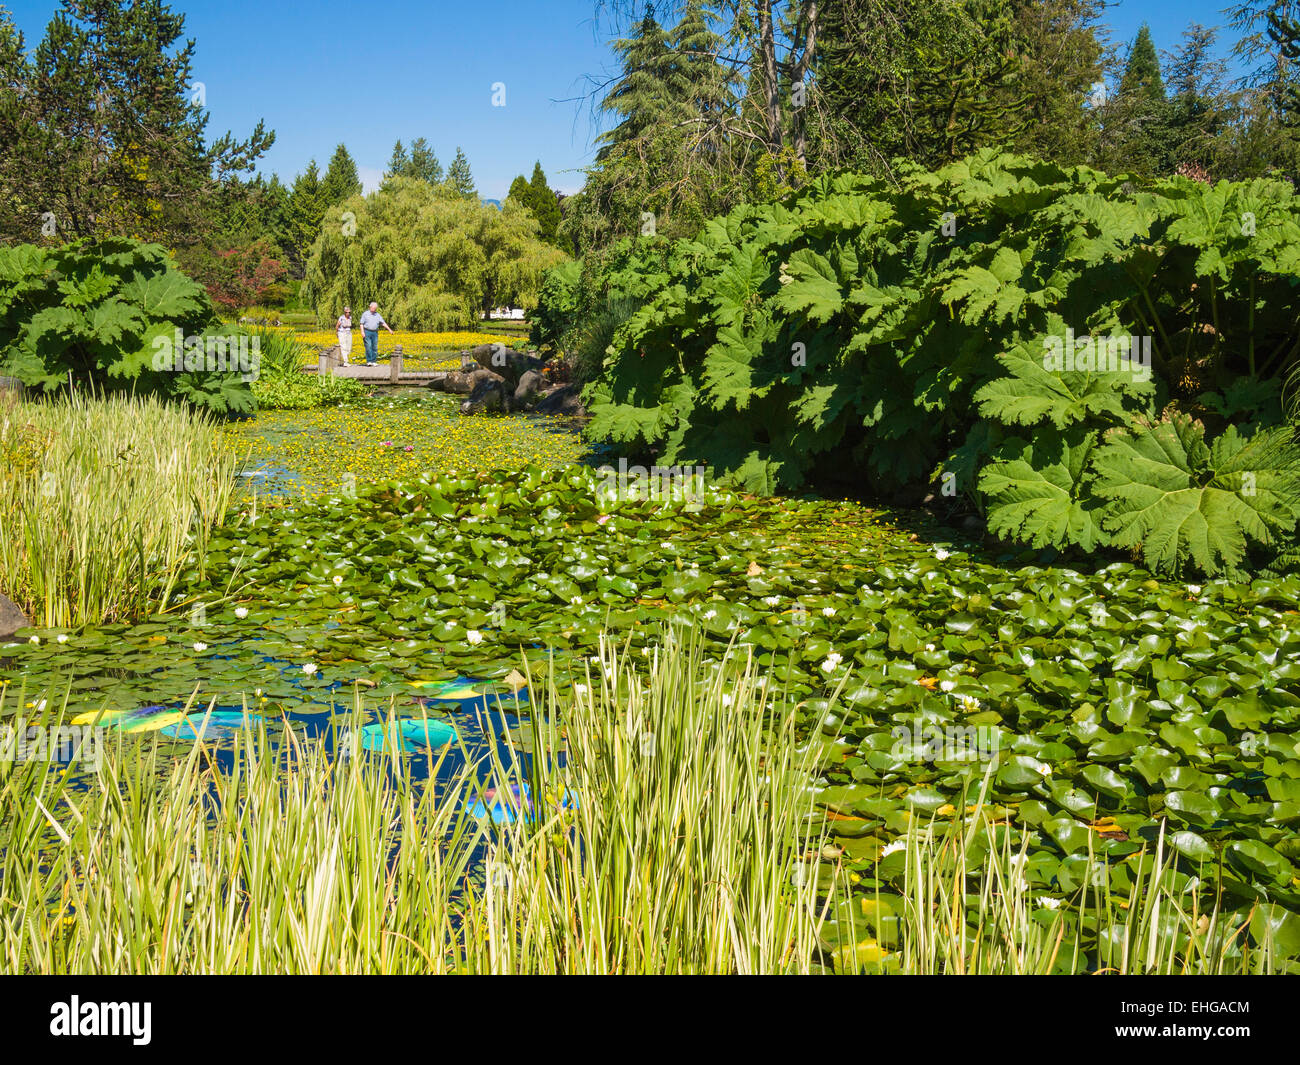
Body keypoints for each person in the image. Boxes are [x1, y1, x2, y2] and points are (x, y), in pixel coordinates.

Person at [359, 302, 394, 366]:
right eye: (373, 308)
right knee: (368, 346)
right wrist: (362, 332)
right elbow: (361, 323)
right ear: (370, 307)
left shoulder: (377, 315)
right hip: (367, 331)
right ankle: (369, 361)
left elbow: (383, 323)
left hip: (375, 332)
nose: (374, 309)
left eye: (375, 308)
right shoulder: (365, 314)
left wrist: (389, 329)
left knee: (374, 347)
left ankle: (374, 361)